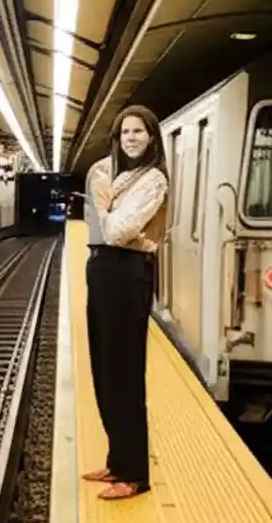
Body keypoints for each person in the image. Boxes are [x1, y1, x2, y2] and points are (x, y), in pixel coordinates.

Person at [81, 104, 169, 501]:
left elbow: (117, 232)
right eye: (124, 132)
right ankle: (117, 460)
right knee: (103, 370)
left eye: (138, 131)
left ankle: (134, 474)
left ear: (152, 137)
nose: (131, 138)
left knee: (125, 374)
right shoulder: (111, 173)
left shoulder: (153, 180)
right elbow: (99, 212)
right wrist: (106, 198)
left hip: (128, 272)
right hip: (102, 270)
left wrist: (103, 203)